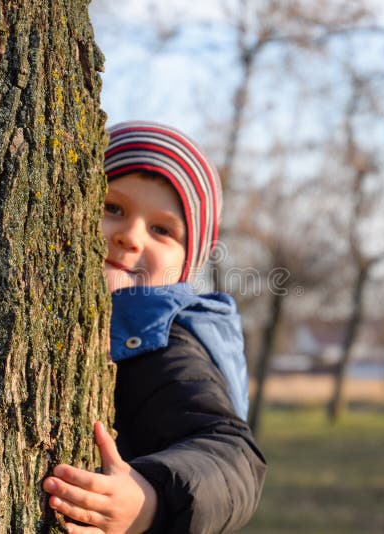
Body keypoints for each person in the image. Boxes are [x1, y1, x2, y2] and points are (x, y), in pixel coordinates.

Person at [43, 121, 266, 533]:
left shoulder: (166, 337)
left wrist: (149, 499)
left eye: (161, 229)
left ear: (187, 266)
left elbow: (234, 456)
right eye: (113, 208)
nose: (130, 236)